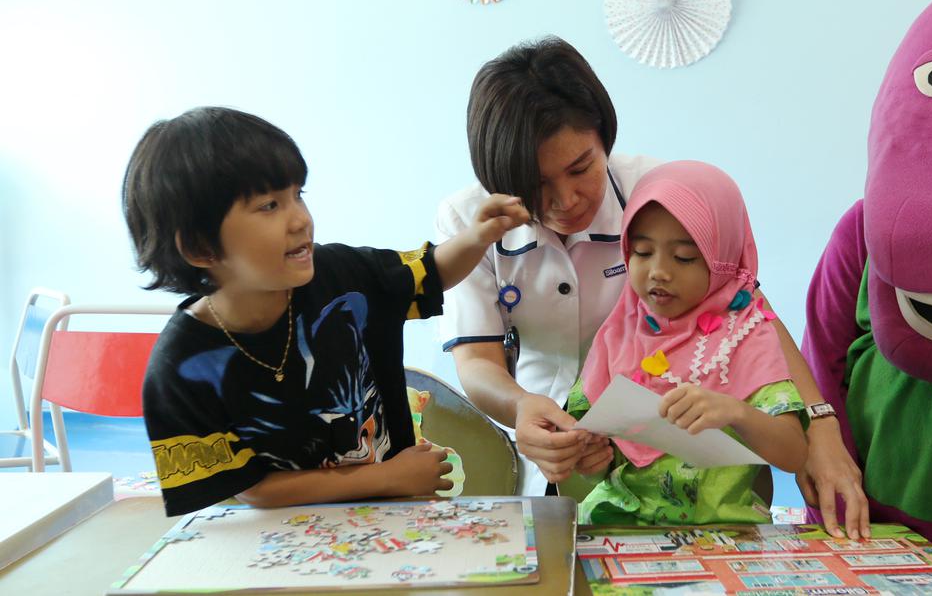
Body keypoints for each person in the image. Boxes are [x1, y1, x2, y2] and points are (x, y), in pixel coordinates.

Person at [438, 37, 869, 539]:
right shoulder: (469, 220)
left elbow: (748, 308)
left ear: (604, 136)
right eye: (535, 185)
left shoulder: (655, 193)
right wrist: (518, 405)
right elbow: (476, 362)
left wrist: (820, 425)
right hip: (568, 446)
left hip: (697, 463)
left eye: (581, 168)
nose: (566, 199)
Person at [123, 106, 529, 516]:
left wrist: (478, 237)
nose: (300, 219)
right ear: (199, 247)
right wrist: (389, 477)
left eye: (297, 195)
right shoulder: (180, 369)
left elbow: (433, 271)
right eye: (268, 206)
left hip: (396, 518)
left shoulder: (341, 274)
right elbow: (253, 489)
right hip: (285, 541)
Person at [565, 161, 808, 525]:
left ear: (722, 260)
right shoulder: (620, 331)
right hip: (616, 523)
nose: (659, 271)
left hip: (721, 536)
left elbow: (794, 453)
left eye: (684, 257)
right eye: (642, 252)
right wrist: (588, 459)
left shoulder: (745, 336)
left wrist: (736, 412)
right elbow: (587, 454)